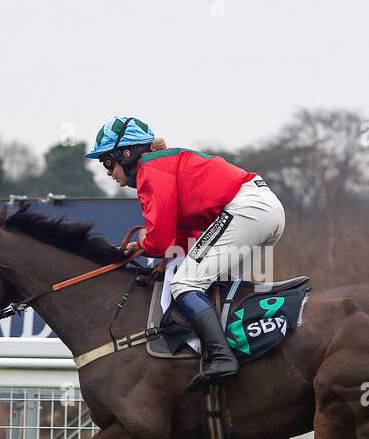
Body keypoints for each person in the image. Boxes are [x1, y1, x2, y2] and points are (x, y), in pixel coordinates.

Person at [86, 116, 285, 390]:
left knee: (185, 283)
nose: (109, 172)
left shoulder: (150, 169)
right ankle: (245, 356)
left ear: (127, 154)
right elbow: (180, 237)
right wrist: (146, 246)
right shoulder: (162, 165)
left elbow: (161, 238)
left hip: (247, 210)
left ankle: (222, 357)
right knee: (218, 288)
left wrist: (146, 242)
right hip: (262, 209)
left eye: (108, 162)